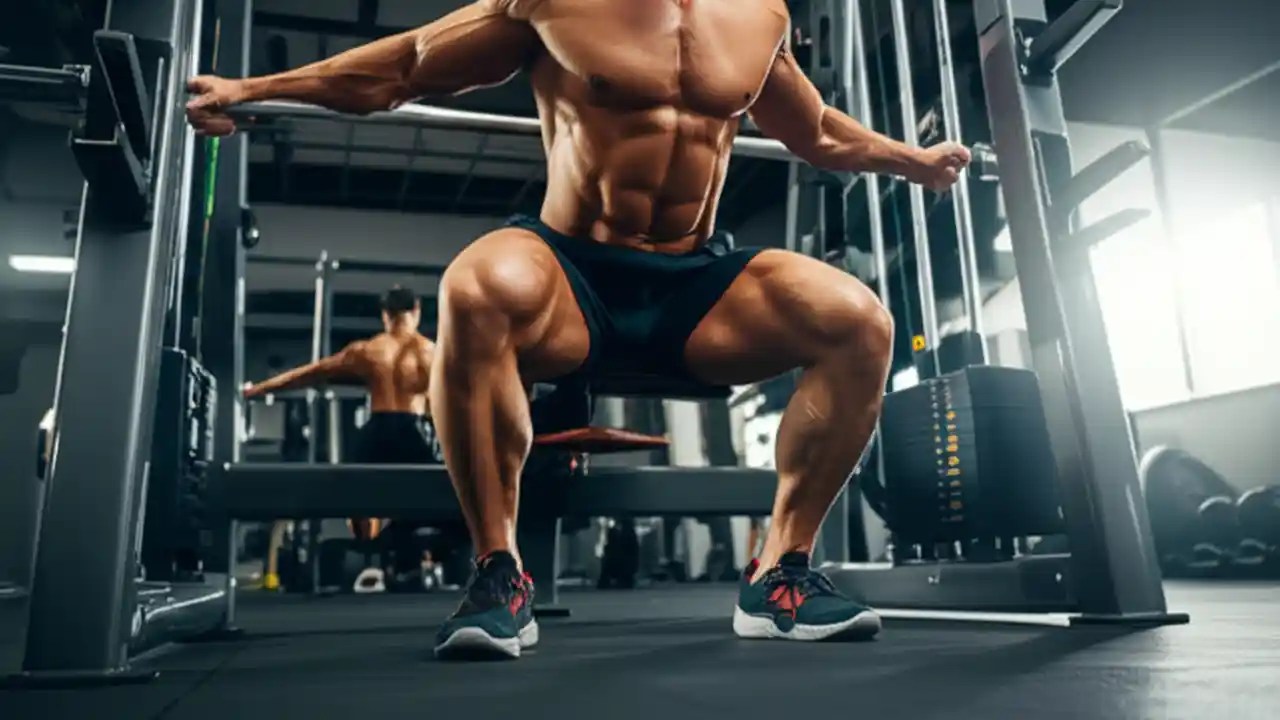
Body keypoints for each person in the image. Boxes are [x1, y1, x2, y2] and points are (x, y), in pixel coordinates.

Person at [188, 0, 971, 660]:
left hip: (694, 285)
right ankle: (500, 574)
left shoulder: (758, 13)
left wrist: (916, 161)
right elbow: (408, 63)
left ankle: (781, 573)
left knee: (858, 320)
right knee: (477, 281)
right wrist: (253, 87)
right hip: (570, 275)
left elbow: (819, 133)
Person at [244, 286, 441, 591]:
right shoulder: (432, 353)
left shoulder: (368, 350)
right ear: (416, 312)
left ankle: (370, 548)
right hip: (414, 429)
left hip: (378, 428)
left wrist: (259, 389)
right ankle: (406, 548)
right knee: (439, 493)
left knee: (355, 494)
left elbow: (312, 372)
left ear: (385, 315)